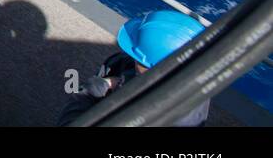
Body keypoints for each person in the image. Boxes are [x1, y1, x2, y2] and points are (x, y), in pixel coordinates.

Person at [58, 10, 210, 126]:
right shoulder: (194, 82)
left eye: (138, 60)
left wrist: (92, 90)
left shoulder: (140, 114)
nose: (132, 59)